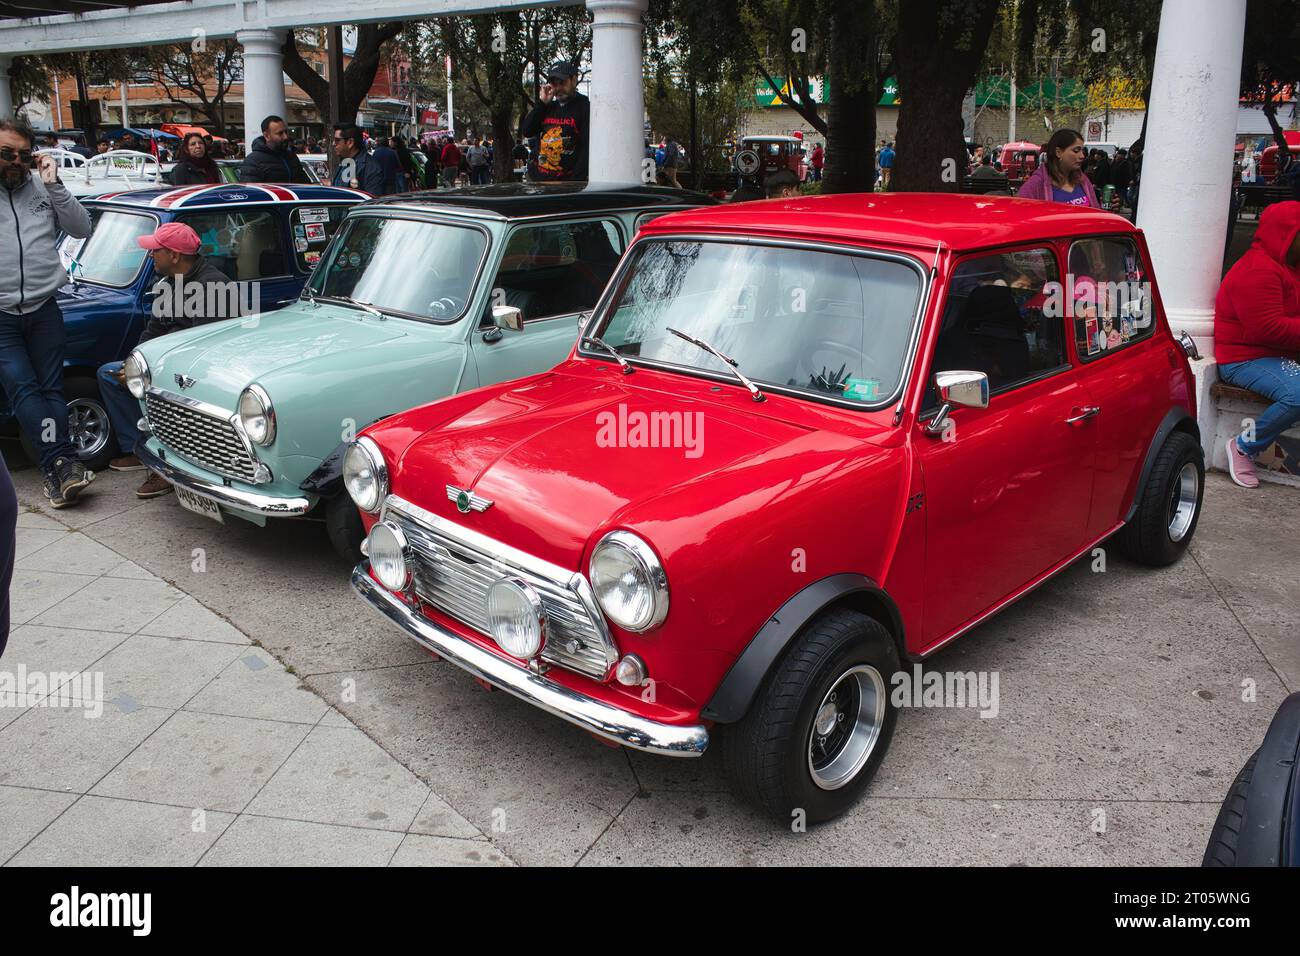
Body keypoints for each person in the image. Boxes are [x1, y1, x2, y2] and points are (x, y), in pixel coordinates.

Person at [97, 223, 233, 498]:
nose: (150, 256)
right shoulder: (169, 283)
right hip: (166, 365)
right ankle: (140, 449)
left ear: (174, 255)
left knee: (159, 391)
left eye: (155, 251)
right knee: (109, 375)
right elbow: (154, 330)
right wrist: (131, 366)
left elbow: (201, 351)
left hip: (197, 376)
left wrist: (149, 374)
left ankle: (168, 466)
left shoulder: (214, 286)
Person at [0, 118, 96, 508]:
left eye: (23, 155)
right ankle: (63, 463)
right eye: (7, 153)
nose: (15, 161)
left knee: (50, 389)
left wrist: (56, 185)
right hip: (2, 313)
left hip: (43, 306)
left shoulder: (44, 187)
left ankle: (58, 472)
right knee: (24, 388)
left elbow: (81, 227)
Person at [1215, 201, 1300, 489]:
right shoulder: (1258, 270)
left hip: (1276, 354)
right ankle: (1244, 446)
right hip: (1244, 359)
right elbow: (1268, 328)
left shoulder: (1288, 267)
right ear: (1287, 235)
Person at [520, 61, 590, 182]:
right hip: (537, 177)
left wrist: (575, 183)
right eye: (553, 83)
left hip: (566, 183)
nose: (558, 88)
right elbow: (527, 131)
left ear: (574, 79)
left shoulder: (584, 107)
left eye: (562, 82)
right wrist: (541, 103)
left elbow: (586, 148)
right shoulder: (548, 106)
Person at [1017, 128, 1100, 208]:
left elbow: (1096, 212)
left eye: (1082, 151)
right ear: (1058, 152)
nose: (1082, 156)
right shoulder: (1036, 185)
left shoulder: (1083, 180)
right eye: (1076, 151)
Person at [238, 115, 310, 184]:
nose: (285, 137)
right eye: (280, 133)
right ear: (267, 136)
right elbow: (252, 192)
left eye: (286, 132)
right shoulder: (253, 161)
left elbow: (305, 184)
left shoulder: (291, 157)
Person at [331, 124, 384, 194]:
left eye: (337, 140)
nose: (333, 143)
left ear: (350, 142)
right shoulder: (345, 162)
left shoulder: (370, 168)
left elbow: (372, 200)